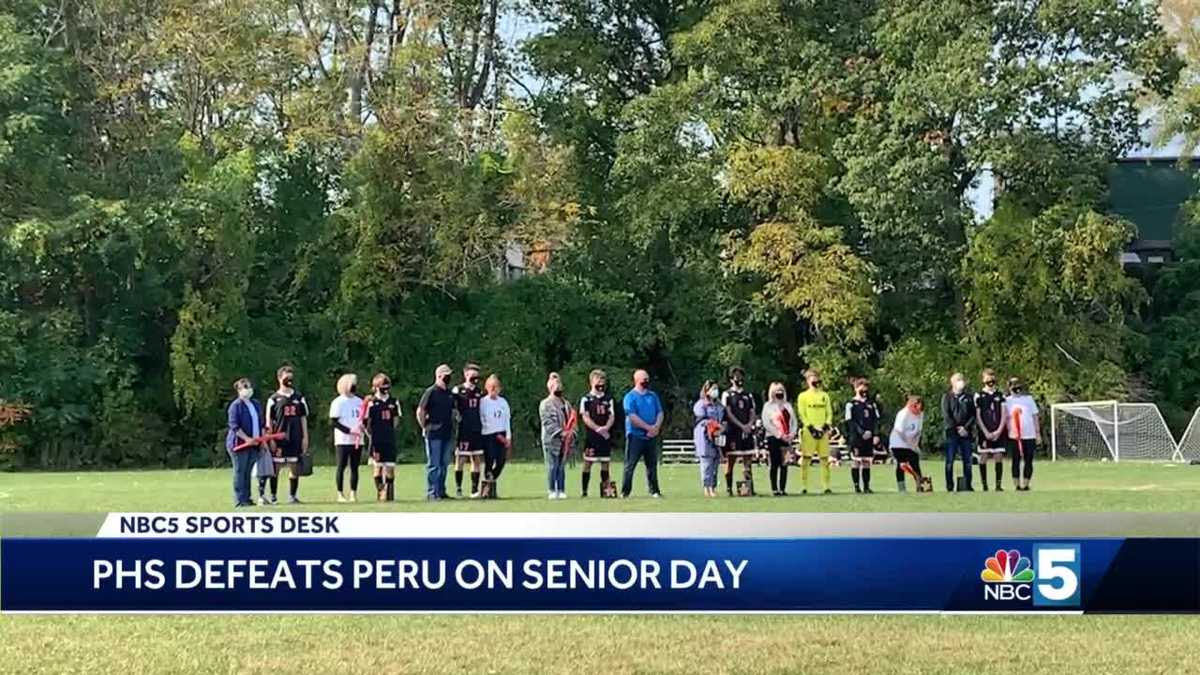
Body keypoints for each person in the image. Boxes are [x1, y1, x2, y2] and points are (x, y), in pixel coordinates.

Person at [264, 365, 310, 504]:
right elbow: (269, 421)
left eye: (291, 377)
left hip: (295, 436)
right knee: (276, 468)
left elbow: (303, 418)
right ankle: (273, 496)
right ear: (279, 378)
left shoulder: (299, 398)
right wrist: (270, 438)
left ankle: (292, 496)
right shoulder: (273, 399)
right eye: (286, 377)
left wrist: (305, 437)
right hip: (279, 437)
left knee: (294, 466)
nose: (289, 380)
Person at [621, 369, 664, 498]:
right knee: (630, 465)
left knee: (652, 465)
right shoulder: (630, 397)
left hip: (651, 437)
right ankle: (625, 491)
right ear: (637, 380)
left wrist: (656, 427)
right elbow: (632, 417)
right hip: (635, 436)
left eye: (647, 378)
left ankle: (654, 490)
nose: (646, 381)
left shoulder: (653, 396)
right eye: (644, 379)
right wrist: (648, 428)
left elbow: (660, 412)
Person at [417, 364, 456, 500]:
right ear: (439, 376)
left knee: (444, 464)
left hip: (447, 432)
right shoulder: (431, 392)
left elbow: (453, 410)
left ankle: (441, 491)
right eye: (446, 375)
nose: (448, 377)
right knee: (434, 464)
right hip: (434, 433)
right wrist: (424, 426)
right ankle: (432, 492)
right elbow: (421, 410)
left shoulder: (449, 393)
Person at [225, 377, 264, 508]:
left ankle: (247, 498)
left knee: (248, 471)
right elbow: (234, 426)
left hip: (254, 445)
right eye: (245, 387)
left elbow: (261, 424)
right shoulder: (235, 406)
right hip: (239, 445)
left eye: (249, 386)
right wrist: (247, 439)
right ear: (239, 390)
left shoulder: (256, 404)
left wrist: (261, 440)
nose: (248, 389)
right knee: (240, 471)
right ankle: (239, 499)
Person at [721, 367, 759, 496]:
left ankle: (748, 489)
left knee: (748, 461)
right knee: (731, 461)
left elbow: (752, 411)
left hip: (746, 431)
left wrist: (749, 424)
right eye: (736, 376)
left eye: (741, 376)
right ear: (731, 378)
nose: (739, 379)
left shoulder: (748, 395)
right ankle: (729, 489)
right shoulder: (727, 394)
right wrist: (740, 425)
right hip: (733, 432)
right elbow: (728, 412)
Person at [364, 373, 401, 501]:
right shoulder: (371, 402)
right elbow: (366, 422)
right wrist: (371, 435)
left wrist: (390, 431)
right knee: (378, 467)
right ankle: (381, 492)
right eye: (383, 386)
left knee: (390, 468)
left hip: (389, 439)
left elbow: (396, 420)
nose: (386, 389)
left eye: (387, 386)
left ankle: (390, 495)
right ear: (376, 387)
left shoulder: (393, 401)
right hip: (377, 440)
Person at [796, 369, 834, 494]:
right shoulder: (803, 396)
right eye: (812, 379)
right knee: (806, 459)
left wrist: (825, 426)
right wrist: (811, 428)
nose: (815, 381)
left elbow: (829, 413)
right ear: (807, 381)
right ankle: (804, 486)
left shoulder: (824, 396)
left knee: (824, 459)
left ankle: (826, 486)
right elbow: (802, 414)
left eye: (817, 378)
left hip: (823, 432)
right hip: (809, 432)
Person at [579, 369, 616, 497]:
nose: (600, 382)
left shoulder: (608, 399)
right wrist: (597, 429)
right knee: (587, 463)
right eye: (598, 379)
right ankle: (584, 491)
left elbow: (612, 416)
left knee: (605, 463)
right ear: (591, 382)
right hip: (592, 437)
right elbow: (585, 417)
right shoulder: (586, 399)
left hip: (605, 436)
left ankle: (606, 491)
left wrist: (606, 427)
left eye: (602, 380)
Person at [844, 377, 884, 494]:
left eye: (866, 389)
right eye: (862, 388)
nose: (864, 391)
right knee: (856, 461)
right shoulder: (850, 404)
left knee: (867, 461)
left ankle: (866, 486)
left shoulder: (871, 404)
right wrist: (861, 432)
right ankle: (857, 486)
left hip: (869, 436)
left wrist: (875, 434)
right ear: (856, 388)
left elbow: (876, 420)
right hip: (857, 437)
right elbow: (850, 421)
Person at [328, 373, 364, 503]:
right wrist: (349, 431)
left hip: (357, 440)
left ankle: (353, 493)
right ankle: (340, 494)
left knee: (354, 467)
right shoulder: (338, 402)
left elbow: (363, 418)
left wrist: (361, 428)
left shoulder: (359, 401)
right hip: (343, 440)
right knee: (341, 466)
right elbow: (334, 422)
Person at [451, 363, 485, 498]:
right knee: (460, 458)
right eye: (472, 375)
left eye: (477, 375)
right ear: (466, 375)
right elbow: (451, 405)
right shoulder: (457, 390)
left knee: (476, 458)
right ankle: (459, 488)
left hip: (476, 429)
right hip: (463, 429)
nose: (475, 378)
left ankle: (474, 489)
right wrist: (456, 415)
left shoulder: (479, 392)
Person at [539, 372, 573, 499]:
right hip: (551, 440)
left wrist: (571, 433)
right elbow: (547, 422)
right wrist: (561, 432)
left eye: (559, 386)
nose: (558, 388)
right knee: (552, 465)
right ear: (550, 387)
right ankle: (552, 489)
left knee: (561, 465)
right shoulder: (545, 404)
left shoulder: (566, 404)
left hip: (566, 441)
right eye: (555, 386)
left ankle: (562, 489)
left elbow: (573, 420)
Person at [760, 381, 797, 496]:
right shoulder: (768, 406)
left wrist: (792, 433)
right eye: (777, 390)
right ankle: (774, 489)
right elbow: (766, 423)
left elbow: (793, 421)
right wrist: (779, 434)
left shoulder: (787, 405)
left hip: (787, 438)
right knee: (774, 464)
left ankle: (782, 488)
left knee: (784, 464)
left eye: (781, 390)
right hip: (773, 438)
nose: (779, 392)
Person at [941, 372, 976, 492]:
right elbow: (947, 415)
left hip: (966, 434)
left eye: (962, 379)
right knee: (950, 461)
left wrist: (965, 428)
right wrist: (957, 428)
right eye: (958, 380)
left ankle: (968, 485)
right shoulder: (947, 397)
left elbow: (973, 415)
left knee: (967, 461)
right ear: (952, 383)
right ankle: (949, 486)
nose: (961, 382)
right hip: (952, 434)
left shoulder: (969, 397)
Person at [479, 374, 512, 499]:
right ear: (487, 387)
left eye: (496, 387)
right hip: (489, 435)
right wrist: (491, 431)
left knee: (501, 461)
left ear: (499, 388)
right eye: (491, 387)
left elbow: (507, 420)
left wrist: (508, 437)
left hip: (501, 435)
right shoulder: (483, 402)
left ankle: (490, 481)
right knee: (489, 459)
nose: (493, 389)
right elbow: (482, 419)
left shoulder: (503, 402)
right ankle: (487, 488)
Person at [1005, 377, 1040, 491]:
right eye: (1014, 386)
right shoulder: (1007, 400)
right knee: (1015, 460)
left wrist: (1037, 433)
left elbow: (1035, 416)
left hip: (1029, 434)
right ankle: (1016, 484)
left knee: (1028, 460)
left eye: (1018, 386)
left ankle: (1026, 484)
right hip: (1014, 436)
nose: (1017, 388)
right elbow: (1005, 418)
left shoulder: (1028, 399)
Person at [974, 369, 1007, 491]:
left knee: (998, 456)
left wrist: (999, 430)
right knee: (984, 456)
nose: (990, 381)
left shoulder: (1000, 395)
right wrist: (985, 432)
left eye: (992, 378)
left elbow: (1004, 414)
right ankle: (984, 485)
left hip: (998, 430)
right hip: (985, 432)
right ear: (983, 380)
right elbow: (978, 415)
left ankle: (998, 485)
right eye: (988, 378)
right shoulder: (978, 395)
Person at [693, 380, 725, 497]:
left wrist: (721, 428)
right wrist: (713, 425)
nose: (715, 391)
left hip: (717, 436)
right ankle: (706, 487)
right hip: (704, 437)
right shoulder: (701, 404)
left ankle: (713, 487)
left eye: (717, 388)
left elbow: (723, 419)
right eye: (713, 389)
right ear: (707, 390)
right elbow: (701, 420)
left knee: (716, 462)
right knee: (707, 463)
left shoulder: (719, 405)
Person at [891, 395, 926, 493]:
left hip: (911, 442)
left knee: (915, 463)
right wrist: (908, 442)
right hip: (898, 442)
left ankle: (921, 486)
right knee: (901, 465)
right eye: (917, 409)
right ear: (912, 406)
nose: (918, 412)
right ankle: (902, 488)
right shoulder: (903, 414)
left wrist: (915, 445)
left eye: (920, 409)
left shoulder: (920, 414)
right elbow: (899, 430)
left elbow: (919, 430)